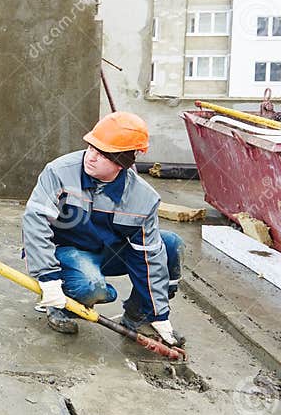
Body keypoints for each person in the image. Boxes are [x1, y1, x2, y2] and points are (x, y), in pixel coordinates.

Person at [22, 111, 185, 347]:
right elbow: (35, 222)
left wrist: (159, 315)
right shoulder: (59, 172)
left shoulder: (143, 198)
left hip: (109, 251)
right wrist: (48, 278)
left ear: (122, 163)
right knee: (92, 287)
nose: (90, 157)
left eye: (102, 154)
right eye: (91, 148)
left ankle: (139, 317)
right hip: (66, 251)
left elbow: (149, 259)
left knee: (170, 245)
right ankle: (60, 304)